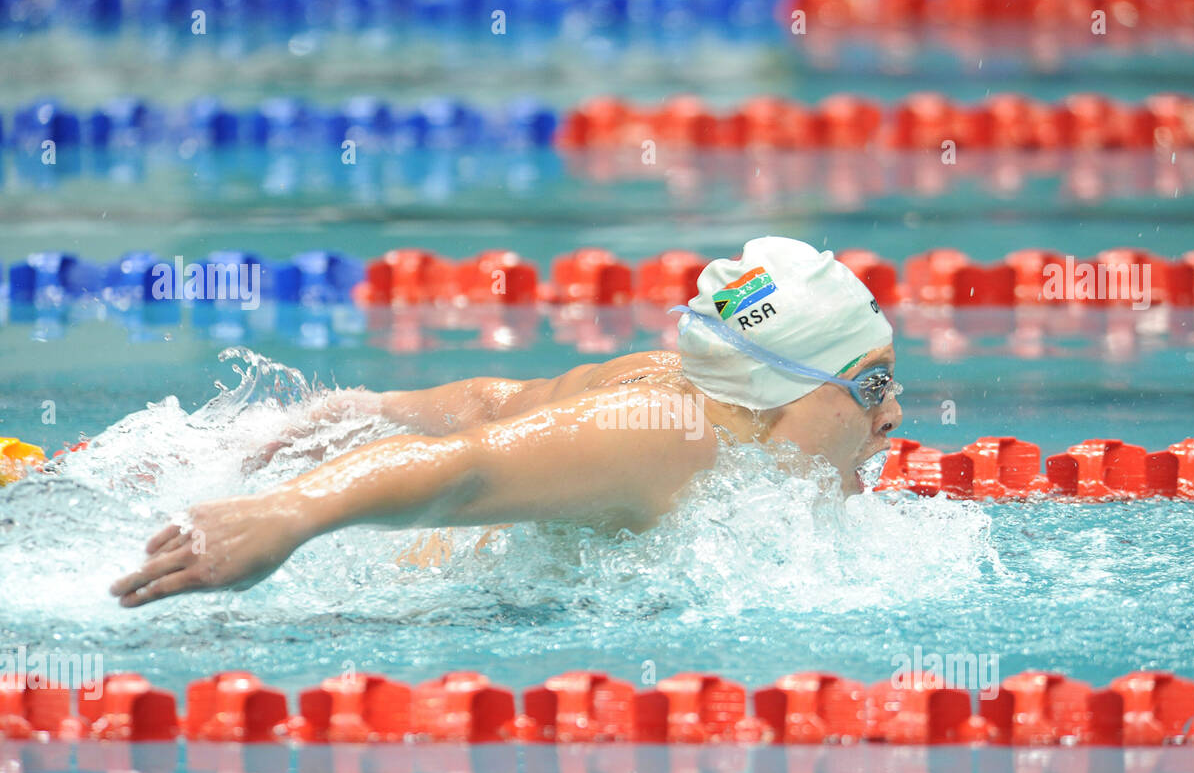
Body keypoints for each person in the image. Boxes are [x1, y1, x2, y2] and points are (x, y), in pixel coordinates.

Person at [111, 236, 903, 607]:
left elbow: (493, 402)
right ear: (774, 389)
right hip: (398, 597)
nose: (893, 415)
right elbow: (464, 467)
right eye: (871, 386)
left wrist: (354, 412)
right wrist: (285, 513)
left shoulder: (685, 390)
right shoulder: (662, 434)